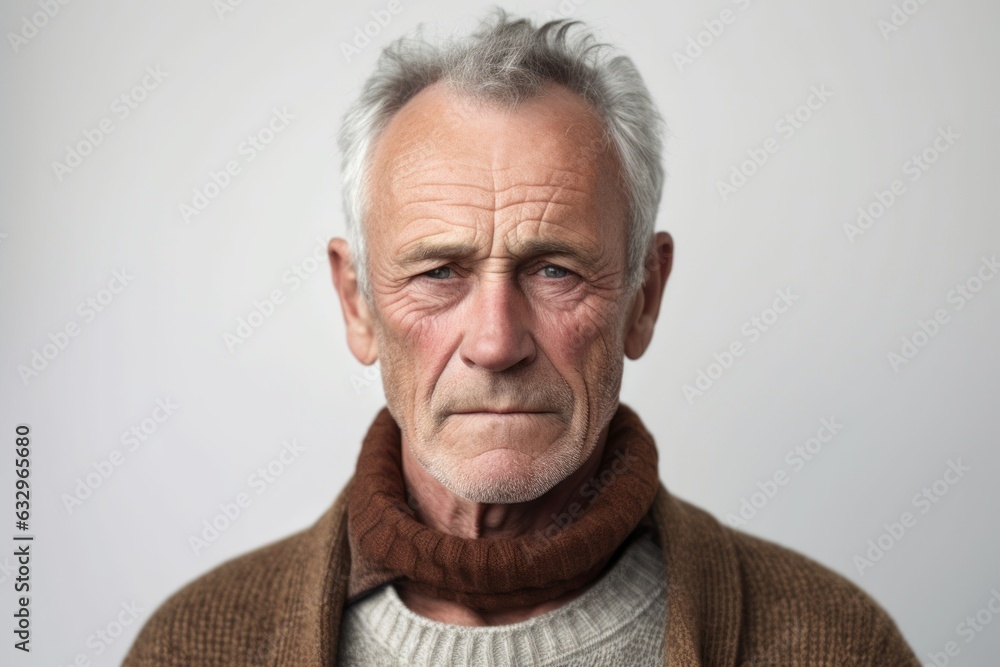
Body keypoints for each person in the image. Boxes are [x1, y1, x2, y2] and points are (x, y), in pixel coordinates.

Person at [124, 9, 919, 665]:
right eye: (439, 271)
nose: (496, 343)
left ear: (645, 296)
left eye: (554, 270)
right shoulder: (191, 646)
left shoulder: (836, 643)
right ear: (356, 304)